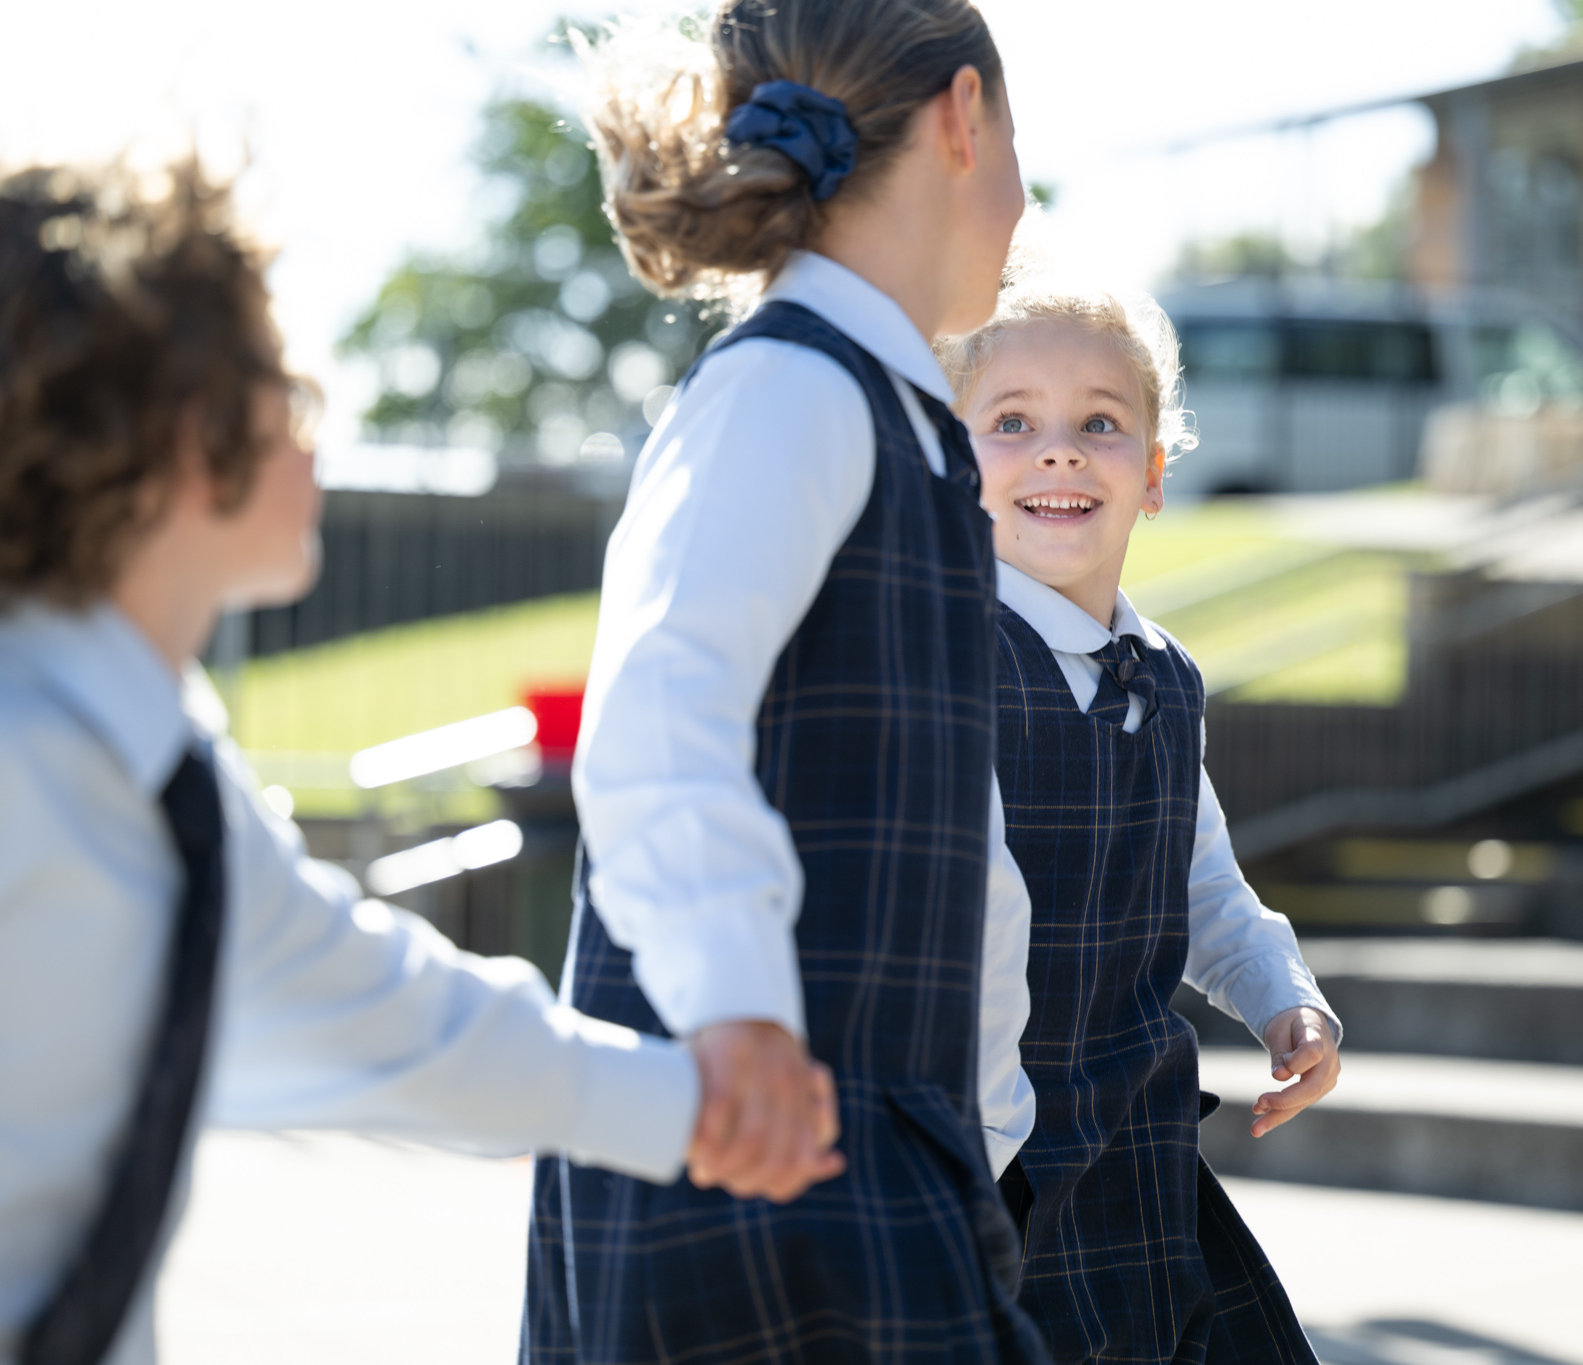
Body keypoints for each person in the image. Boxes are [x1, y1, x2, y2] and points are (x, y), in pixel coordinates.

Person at [0, 161, 708, 1365]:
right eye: (286, 385)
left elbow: (398, 1018)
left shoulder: (165, 782)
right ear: (179, 439)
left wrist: (703, 1110)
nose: (315, 422)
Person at [525, 1, 1049, 1360]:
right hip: (757, 1150)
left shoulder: (897, 420)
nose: (1025, 197)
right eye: (1019, 142)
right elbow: (658, 721)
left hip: (870, 1152)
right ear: (963, 117)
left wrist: (984, 1120)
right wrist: (741, 1012)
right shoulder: (790, 390)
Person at [936, 264, 1343, 1364]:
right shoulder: (940, 663)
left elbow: (1202, 883)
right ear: (948, 463)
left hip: (1143, 1157)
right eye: (1010, 421)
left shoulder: (1166, 677)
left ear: (1153, 474)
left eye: (1099, 423)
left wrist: (1279, 998)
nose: (1057, 450)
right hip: (1000, 1170)